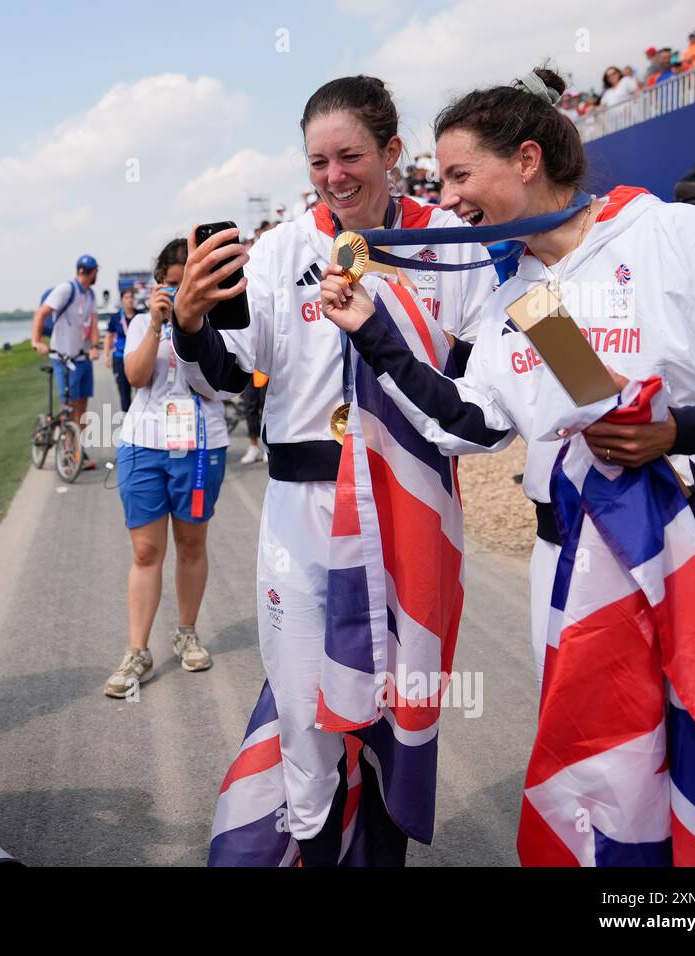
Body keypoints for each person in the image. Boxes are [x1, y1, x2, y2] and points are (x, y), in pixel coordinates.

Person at [319, 66, 695, 779]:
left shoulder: (678, 234)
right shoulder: (526, 296)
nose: (447, 200)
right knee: (600, 791)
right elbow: (471, 425)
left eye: (459, 175)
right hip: (573, 567)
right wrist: (372, 332)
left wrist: (681, 433)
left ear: (527, 160)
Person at [172, 75, 496, 865]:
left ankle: (383, 854)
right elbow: (228, 373)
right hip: (304, 507)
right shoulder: (283, 248)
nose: (333, 176)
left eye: (350, 156)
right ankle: (315, 849)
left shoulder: (450, 242)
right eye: (318, 162)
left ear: (392, 152)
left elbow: (487, 388)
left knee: (400, 703)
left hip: (410, 499)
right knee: (307, 708)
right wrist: (189, 327)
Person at [106, 240, 231, 697]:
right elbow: (136, 377)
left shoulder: (222, 323)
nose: (179, 294)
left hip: (200, 447)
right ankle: (137, 650)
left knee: (192, 543)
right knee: (144, 552)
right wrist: (158, 324)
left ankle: (187, 631)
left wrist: (192, 326)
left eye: (187, 285)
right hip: (144, 445)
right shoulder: (142, 321)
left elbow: (223, 388)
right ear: (157, 283)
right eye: (171, 285)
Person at [33, 254, 102, 469]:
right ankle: (67, 451)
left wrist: (93, 346)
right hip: (63, 358)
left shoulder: (90, 295)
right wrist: (37, 341)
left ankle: (79, 450)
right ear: (87, 272)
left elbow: (93, 324)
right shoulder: (66, 290)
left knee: (82, 408)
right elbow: (42, 313)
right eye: (95, 271)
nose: (96, 275)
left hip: (82, 358)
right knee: (68, 407)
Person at [105, 287, 139, 413]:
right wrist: (107, 356)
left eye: (131, 297)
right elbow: (109, 337)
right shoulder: (115, 318)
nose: (130, 300)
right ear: (122, 300)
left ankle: (140, 417)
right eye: (127, 297)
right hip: (120, 358)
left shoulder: (139, 315)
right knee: (124, 390)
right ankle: (127, 417)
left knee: (141, 388)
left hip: (137, 357)